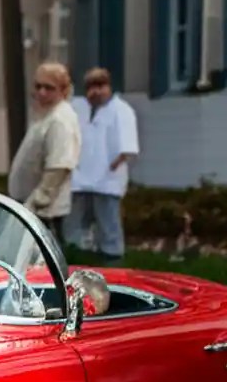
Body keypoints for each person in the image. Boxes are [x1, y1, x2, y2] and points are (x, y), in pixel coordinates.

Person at [67, 67, 140, 264]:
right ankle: (77, 264)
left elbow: (127, 148)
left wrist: (111, 167)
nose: (96, 91)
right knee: (74, 228)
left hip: (107, 182)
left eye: (100, 86)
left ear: (109, 86)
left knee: (109, 229)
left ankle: (113, 268)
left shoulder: (122, 111)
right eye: (91, 87)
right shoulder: (78, 108)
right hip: (80, 181)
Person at [9, 62, 81, 245]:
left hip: (43, 215)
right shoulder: (46, 115)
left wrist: (33, 206)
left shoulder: (60, 120)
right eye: (38, 86)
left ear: (63, 90)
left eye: (49, 88)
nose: (41, 92)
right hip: (32, 212)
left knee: (42, 270)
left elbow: (58, 168)